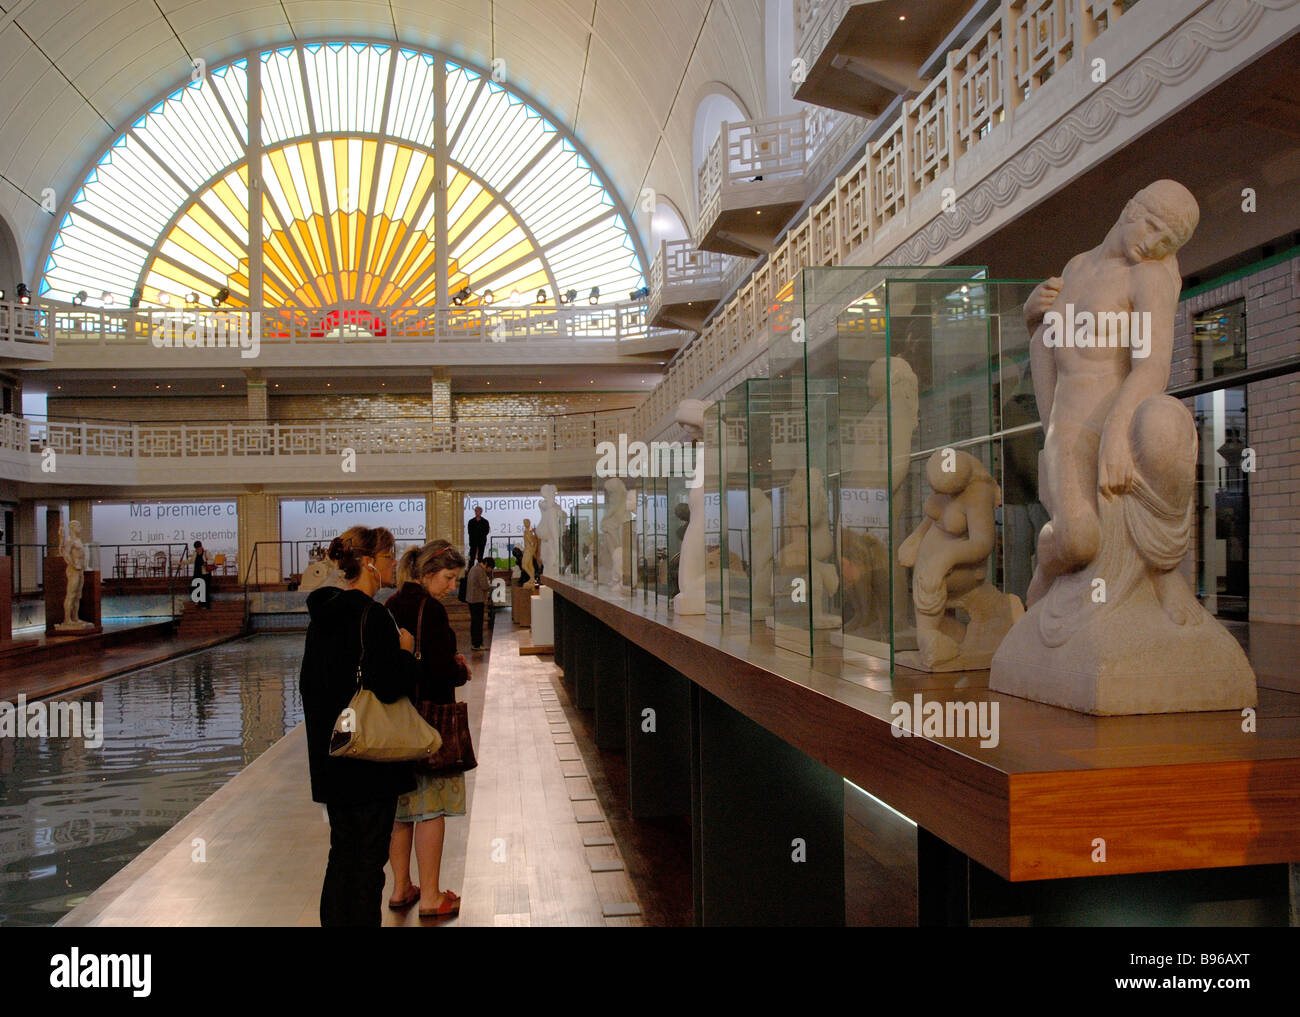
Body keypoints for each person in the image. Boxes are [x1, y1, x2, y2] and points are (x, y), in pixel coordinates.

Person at [1024, 179, 1197, 607]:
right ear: (1130, 209)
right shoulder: (1075, 267)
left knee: (1093, 538)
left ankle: (1149, 583)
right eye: (1153, 227)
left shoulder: (1149, 276)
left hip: (1118, 420)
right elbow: (1050, 352)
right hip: (1068, 428)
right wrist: (1032, 319)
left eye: (1168, 241)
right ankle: (1045, 570)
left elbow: (1152, 365)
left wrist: (1118, 433)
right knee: (1079, 540)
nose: (1154, 244)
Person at [299, 526, 421, 927]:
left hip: (333, 755)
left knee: (342, 855)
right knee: (368, 862)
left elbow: (310, 685)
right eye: (388, 558)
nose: (392, 566)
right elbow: (388, 687)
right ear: (368, 563)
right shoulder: (374, 616)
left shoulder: (321, 616)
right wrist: (406, 653)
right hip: (369, 759)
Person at [385, 540, 470, 919]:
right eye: (449, 578)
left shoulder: (389, 605)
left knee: (400, 809)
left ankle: (401, 887)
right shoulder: (430, 610)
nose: (452, 587)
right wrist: (459, 670)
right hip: (429, 724)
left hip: (394, 722)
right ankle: (433, 896)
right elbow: (438, 670)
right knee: (430, 807)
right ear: (429, 573)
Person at [465, 552, 491, 651]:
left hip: (471, 600)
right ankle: (477, 644)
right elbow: (484, 586)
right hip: (477, 600)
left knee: (474, 622)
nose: (489, 570)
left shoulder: (473, 568)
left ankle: (475, 643)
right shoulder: (480, 571)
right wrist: (488, 583)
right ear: (487, 564)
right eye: (490, 568)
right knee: (478, 623)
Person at [192, 540, 211, 609]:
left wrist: (205, 562)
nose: (197, 550)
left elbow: (211, 560)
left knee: (205, 589)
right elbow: (191, 561)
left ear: (201, 546)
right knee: (195, 587)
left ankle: (205, 605)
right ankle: (197, 602)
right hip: (197, 573)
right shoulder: (195, 553)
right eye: (196, 548)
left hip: (205, 573)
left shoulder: (206, 552)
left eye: (198, 548)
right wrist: (182, 563)